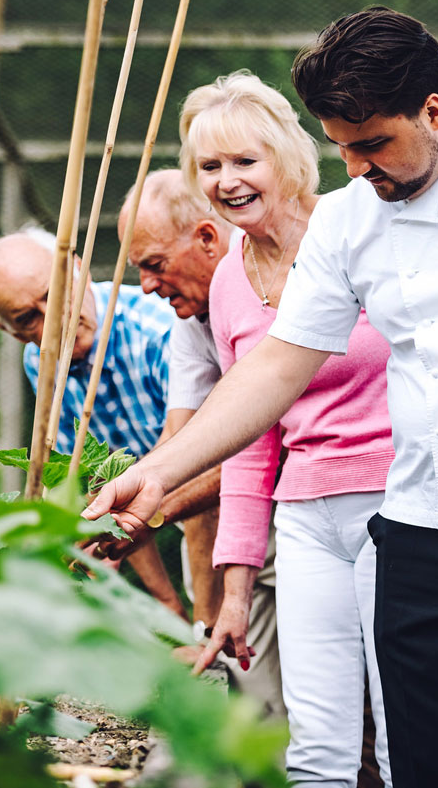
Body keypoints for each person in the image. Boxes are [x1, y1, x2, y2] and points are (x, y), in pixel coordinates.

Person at [84, 9, 438, 788]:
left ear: (433, 109)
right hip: (424, 539)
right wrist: (161, 471)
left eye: (372, 144)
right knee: (432, 769)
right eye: (341, 147)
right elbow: (278, 363)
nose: (354, 168)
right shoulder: (350, 220)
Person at [178, 70, 397, 788]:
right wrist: (234, 591)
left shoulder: (361, 223)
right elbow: (249, 437)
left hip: (398, 501)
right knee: (317, 741)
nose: (227, 180)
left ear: (287, 158)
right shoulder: (228, 280)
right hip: (304, 517)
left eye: (245, 160)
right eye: (209, 166)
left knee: (405, 727)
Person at [119, 171, 287, 722]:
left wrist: (153, 511)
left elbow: (268, 441)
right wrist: (118, 508)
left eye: (154, 264)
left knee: (347, 699)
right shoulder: (192, 320)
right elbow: (181, 444)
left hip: (322, 504)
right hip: (252, 527)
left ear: (208, 239)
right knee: (264, 701)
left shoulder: (274, 285)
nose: (144, 286)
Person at [0, 227, 185, 618]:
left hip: (230, 493)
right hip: (150, 503)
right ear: (9, 331)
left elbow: (202, 463)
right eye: (28, 317)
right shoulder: (40, 362)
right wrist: (167, 605)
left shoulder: (158, 333)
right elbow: (101, 487)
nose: (54, 317)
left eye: (55, 293)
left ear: (80, 269)